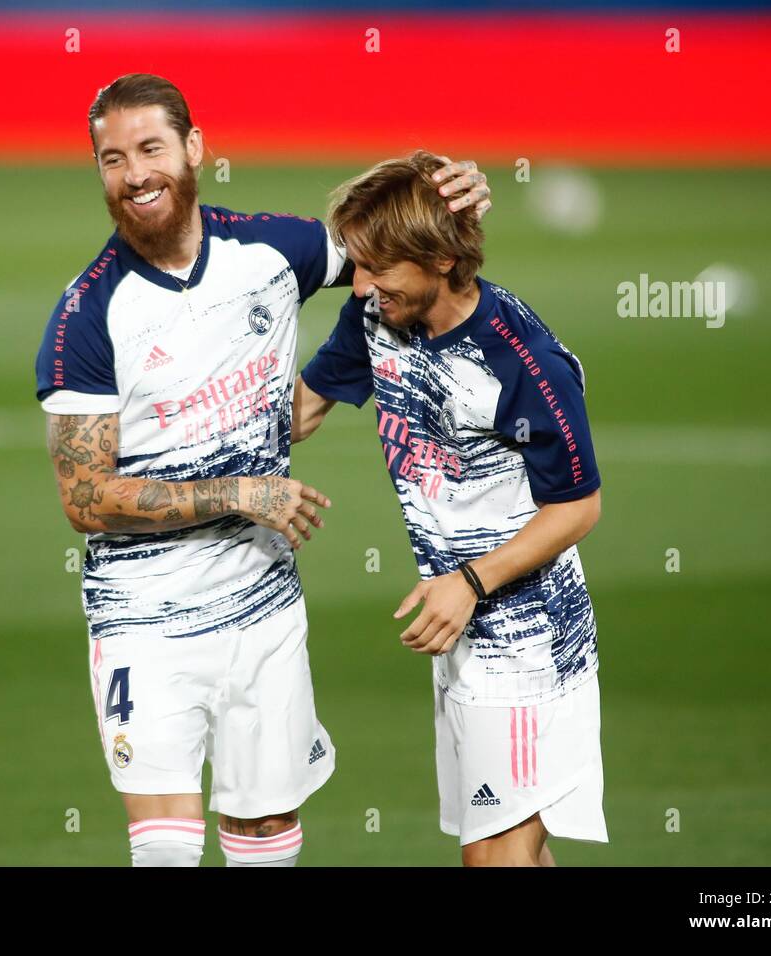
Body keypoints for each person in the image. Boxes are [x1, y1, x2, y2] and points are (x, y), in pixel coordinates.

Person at [35, 75, 492, 867]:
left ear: (194, 148)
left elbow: (396, 249)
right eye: (113, 158)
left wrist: (456, 193)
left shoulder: (273, 251)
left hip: (262, 607)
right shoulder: (89, 315)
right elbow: (84, 496)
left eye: (151, 148)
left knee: (263, 837)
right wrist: (238, 494)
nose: (136, 173)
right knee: (168, 852)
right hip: (144, 617)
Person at [296, 150, 604, 866]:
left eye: (378, 268)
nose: (362, 285)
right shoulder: (378, 316)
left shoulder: (520, 360)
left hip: (527, 639)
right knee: (512, 856)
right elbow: (300, 413)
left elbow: (579, 506)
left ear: (439, 258)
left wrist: (469, 583)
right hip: (465, 631)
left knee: (493, 857)